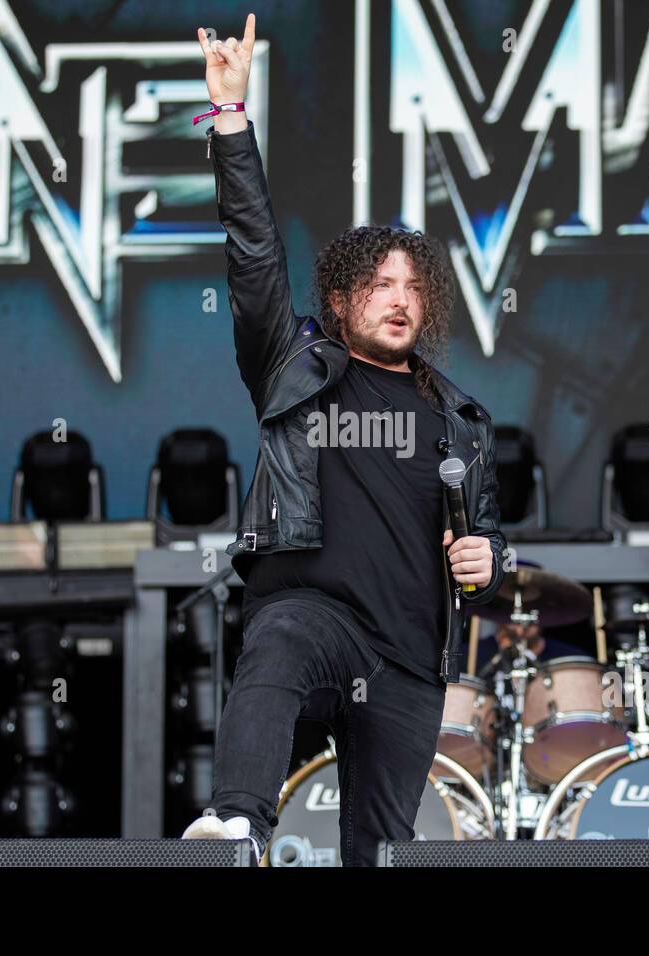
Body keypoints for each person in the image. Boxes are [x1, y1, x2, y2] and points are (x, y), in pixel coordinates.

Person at [181, 14, 507, 866]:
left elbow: (487, 540)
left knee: (383, 853)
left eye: (411, 286)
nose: (397, 298)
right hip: (315, 612)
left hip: (409, 656)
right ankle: (240, 827)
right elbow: (253, 254)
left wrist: (488, 560)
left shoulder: (463, 420)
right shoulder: (292, 365)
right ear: (339, 301)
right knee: (278, 642)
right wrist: (230, 120)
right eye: (376, 283)